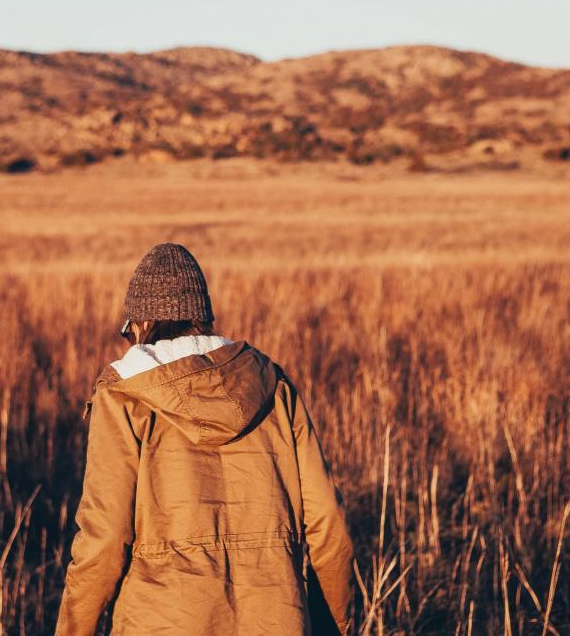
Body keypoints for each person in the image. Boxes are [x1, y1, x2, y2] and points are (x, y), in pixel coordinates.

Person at [56, 243, 355, 635]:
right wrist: (329, 626)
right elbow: (328, 526)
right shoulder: (275, 389)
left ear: (141, 326)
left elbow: (105, 539)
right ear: (202, 320)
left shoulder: (123, 397)